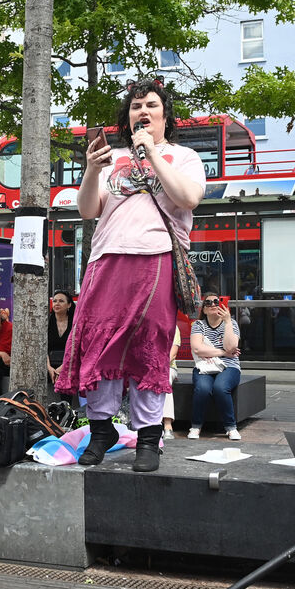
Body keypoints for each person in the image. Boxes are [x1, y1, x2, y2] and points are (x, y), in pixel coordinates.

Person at [55, 78, 205, 473]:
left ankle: (148, 439)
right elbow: (88, 210)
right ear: (128, 115)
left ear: (164, 114)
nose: (143, 112)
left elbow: (188, 199)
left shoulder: (184, 156)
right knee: (99, 346)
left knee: (148, 348)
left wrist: (152, 155)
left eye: (151, 105)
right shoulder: (113, 158)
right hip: (105, 260)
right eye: (136, 106)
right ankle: (101, 429)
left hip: (155, 258)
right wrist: (90, 170)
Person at [188, 293, 242, 441]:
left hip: (229, 366)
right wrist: (224, 352)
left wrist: (228, 321)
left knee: (220, 387)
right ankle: (196, 426)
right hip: (204, 366)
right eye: (208, 303)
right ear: (204, 310)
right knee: (203, 389)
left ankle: (231, 427)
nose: (212, 304)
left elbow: (232, 346)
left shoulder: (231, 323)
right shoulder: (199, 325)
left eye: (216, 302)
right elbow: (198, 349)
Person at [46, 290, 75, 385]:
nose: (57, 303)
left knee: (67, 375)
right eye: (55, 301)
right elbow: (42, 348)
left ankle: (66, 401)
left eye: (61, 301)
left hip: (69, 362)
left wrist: (62, 367)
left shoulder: (75, 323)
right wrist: (49, 368)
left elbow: (76, 348)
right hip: (48, 362)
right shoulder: (46, 322)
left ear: (69, 305)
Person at [161, 326, 181, 440]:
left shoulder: (173, 327)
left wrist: (157, 367)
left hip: (167, 367)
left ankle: (167, 424)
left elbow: (172, 355)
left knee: (165, 379)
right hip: (147, 367)